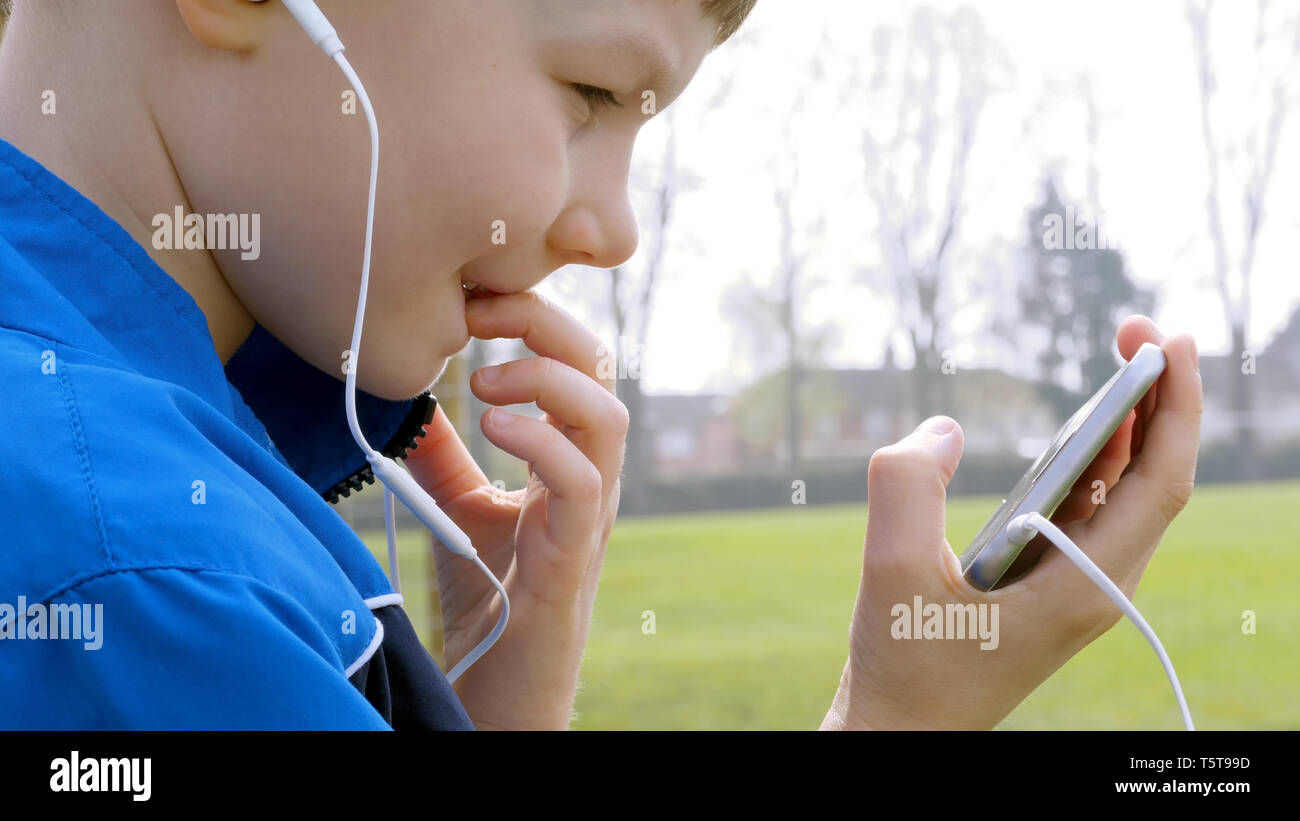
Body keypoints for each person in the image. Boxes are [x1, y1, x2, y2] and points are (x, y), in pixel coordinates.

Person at [0, 0, 1201, 730]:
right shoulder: (141, 578)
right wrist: (904, 715)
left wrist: (468, 709)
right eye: (586, 94)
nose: (613, 230)